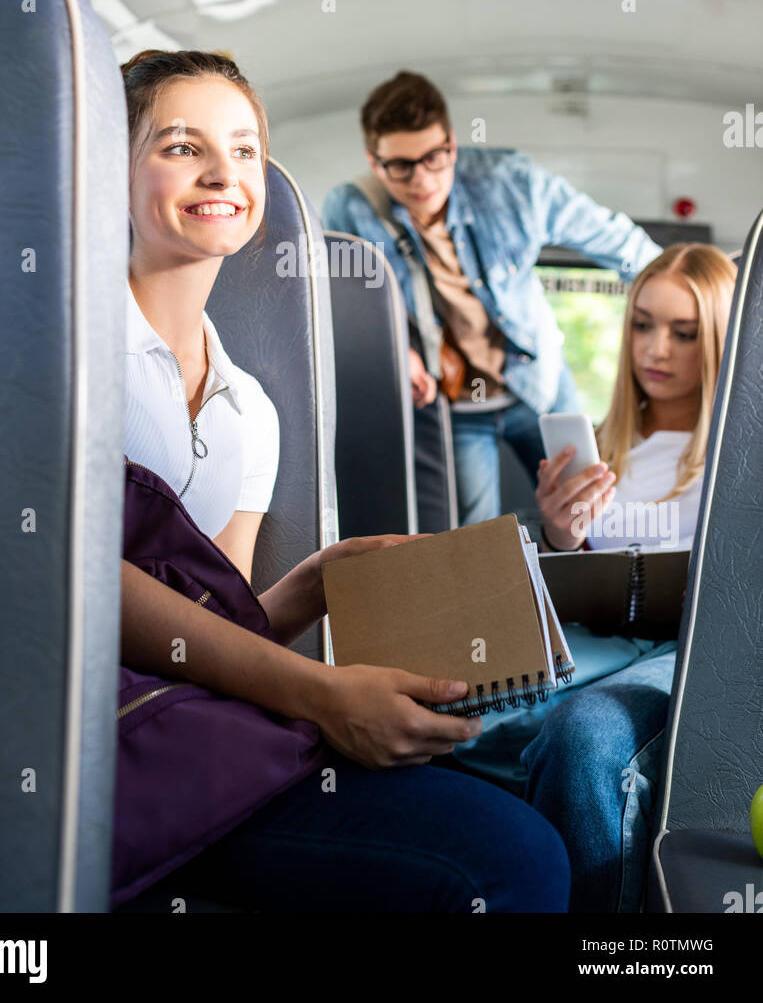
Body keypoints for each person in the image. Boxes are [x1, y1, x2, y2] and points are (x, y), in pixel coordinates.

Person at [117, 48, 571, 914]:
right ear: (112, 166)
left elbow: (210, 625)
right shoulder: (66, 348)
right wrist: (322, 695)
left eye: (245, 149)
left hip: (188, 725)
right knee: (506, 865)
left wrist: (311, 586)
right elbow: (82, 590)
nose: (223, 172)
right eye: (182, 147)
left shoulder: (249, 407)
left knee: (514, 832)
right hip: (97, 742)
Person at [450, 244, 738, 913]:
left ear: (719, 339)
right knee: (443, 702)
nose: (655, 349)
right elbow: (561, 589)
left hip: (688, 654)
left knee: (584, 735)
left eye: (682, 332)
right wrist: (559, 535)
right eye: (641, 324)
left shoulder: (739, 451)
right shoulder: (593, 445)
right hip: (596, 638)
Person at [321, 70, 661, 525]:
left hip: (538, 382)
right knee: (473, 540)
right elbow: (343, 310)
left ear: (453, 144)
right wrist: (398, 354)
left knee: (591, 511)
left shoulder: (512, 184)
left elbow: (618, 243)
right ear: (374, 160)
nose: (422, 179)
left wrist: (703, 300)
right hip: (459, 406)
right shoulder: (350, 208)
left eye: (435, 158)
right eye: (401, 166)